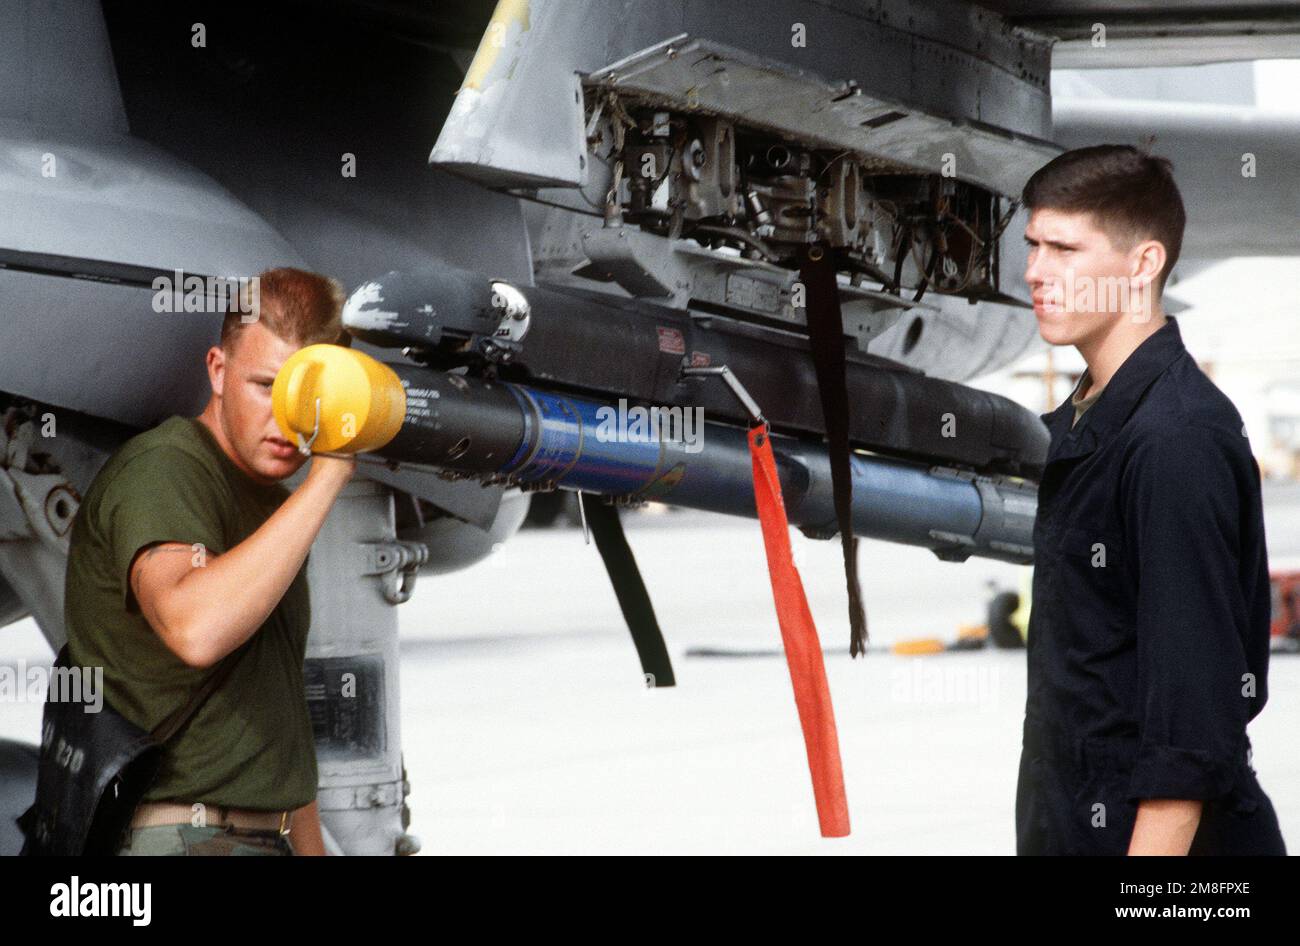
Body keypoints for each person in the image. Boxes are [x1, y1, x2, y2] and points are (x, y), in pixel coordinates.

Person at [1014, 145, 1285, 855]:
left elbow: (1189, 738)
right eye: (1033, 245)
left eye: (1066, 249)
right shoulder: (1096, 422)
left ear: (1142, 266)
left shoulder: (1172, 442)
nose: (1036, 272)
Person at [64, 267, 356, 855]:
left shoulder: (270, 507)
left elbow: (276, 722)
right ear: (218, 371)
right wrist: (331, 473)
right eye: (264, 387)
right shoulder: (165, 470)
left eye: (308, 399)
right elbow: (194, 629)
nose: (287, 419)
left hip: (252, 837)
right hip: (185, 838)